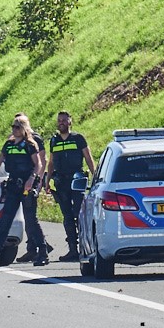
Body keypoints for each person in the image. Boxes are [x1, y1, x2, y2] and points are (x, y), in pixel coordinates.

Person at [0, 114, 51, 266]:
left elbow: (38, 165)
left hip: (26, 186)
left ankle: (43, 252)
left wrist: (32, 179)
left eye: (18, 127)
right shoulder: (9, 145)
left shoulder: (30, 145)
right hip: (13, 186)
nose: (15, 129)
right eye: (13, 126)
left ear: (24, 129)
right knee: (5, 221)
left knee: (31, 221)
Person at [44, 111, 97, 261]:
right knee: (67, 217)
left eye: (64, 120)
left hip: (77, 181)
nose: (61, 122)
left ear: (70, 122)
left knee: (80, 215)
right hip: (61, 183)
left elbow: (88, 158)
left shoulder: (78, 139)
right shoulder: (54, 141)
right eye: (59, 120)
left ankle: (85, 248)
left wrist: (96, 177)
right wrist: (47, 181)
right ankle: (73, 249)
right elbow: (51, 162)